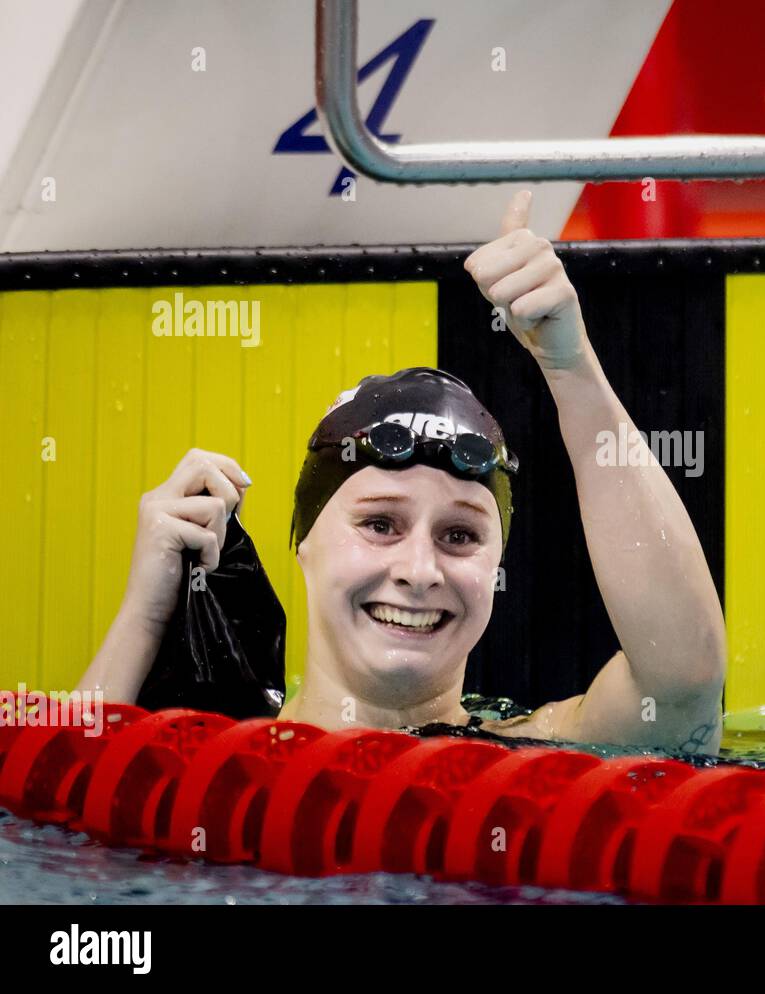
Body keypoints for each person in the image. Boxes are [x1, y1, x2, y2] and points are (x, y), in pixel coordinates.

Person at [77, 190, 727, 754]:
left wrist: (570, 365)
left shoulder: (538, 758)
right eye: (381, 523)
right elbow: (54, 791)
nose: (420, 571)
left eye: (460, 535)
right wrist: (146, 611)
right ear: (303, 542)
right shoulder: (208, 753)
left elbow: (684, 684)